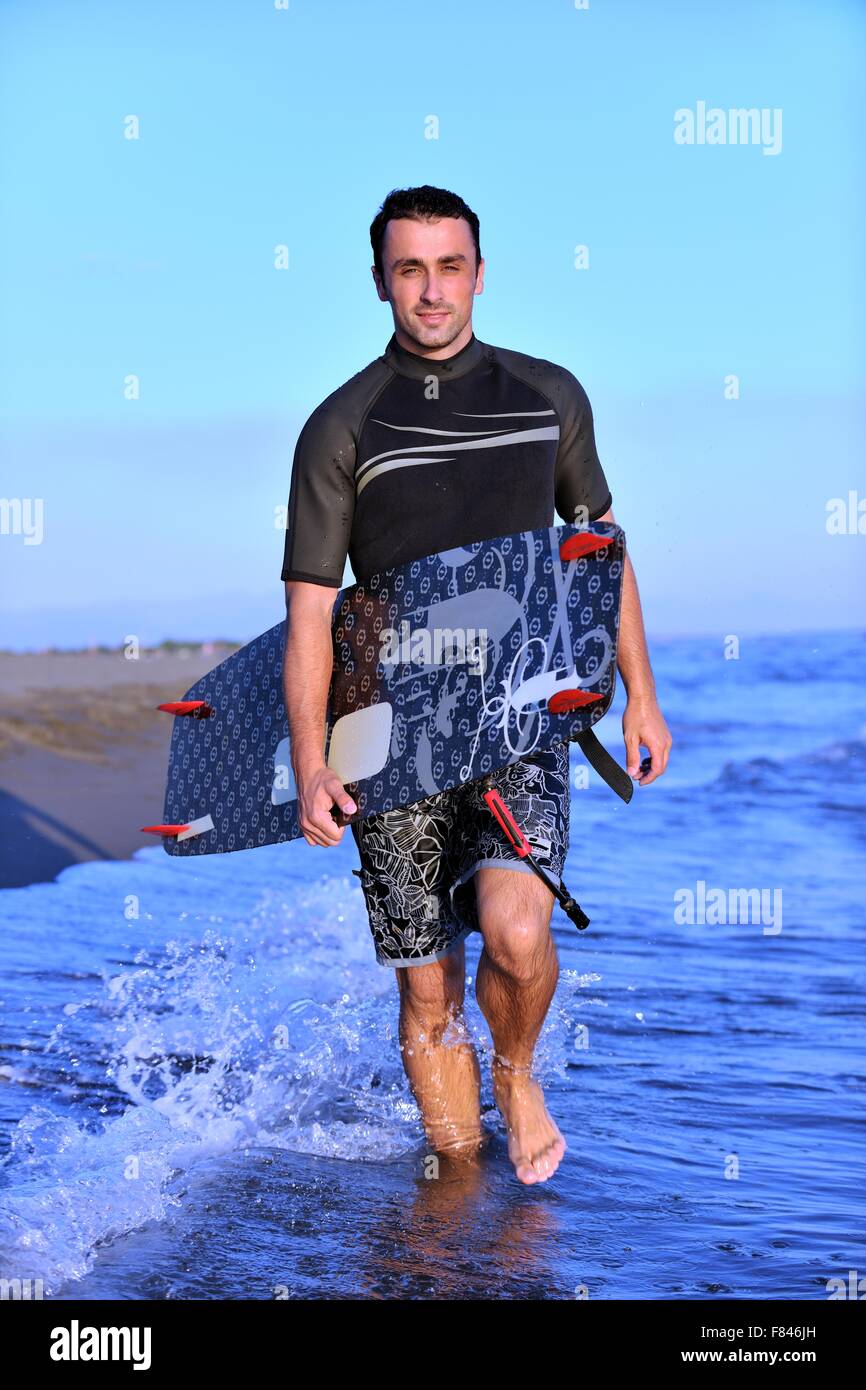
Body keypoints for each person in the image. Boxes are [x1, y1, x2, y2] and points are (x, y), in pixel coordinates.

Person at [280, 185, 671, 1184]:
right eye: (408, 269)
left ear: (478, 274)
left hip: (514, 709)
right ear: (380, 281)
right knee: (423, 995)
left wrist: (640, 692)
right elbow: (312, 615)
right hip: (383, 728)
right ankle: (453, 1187)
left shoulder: (546, 396)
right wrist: (310, 757)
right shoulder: (341, 426)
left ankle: (515, 1070)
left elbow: (598, 553)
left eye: (448, 267)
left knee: (515, 923)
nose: (430, 291)